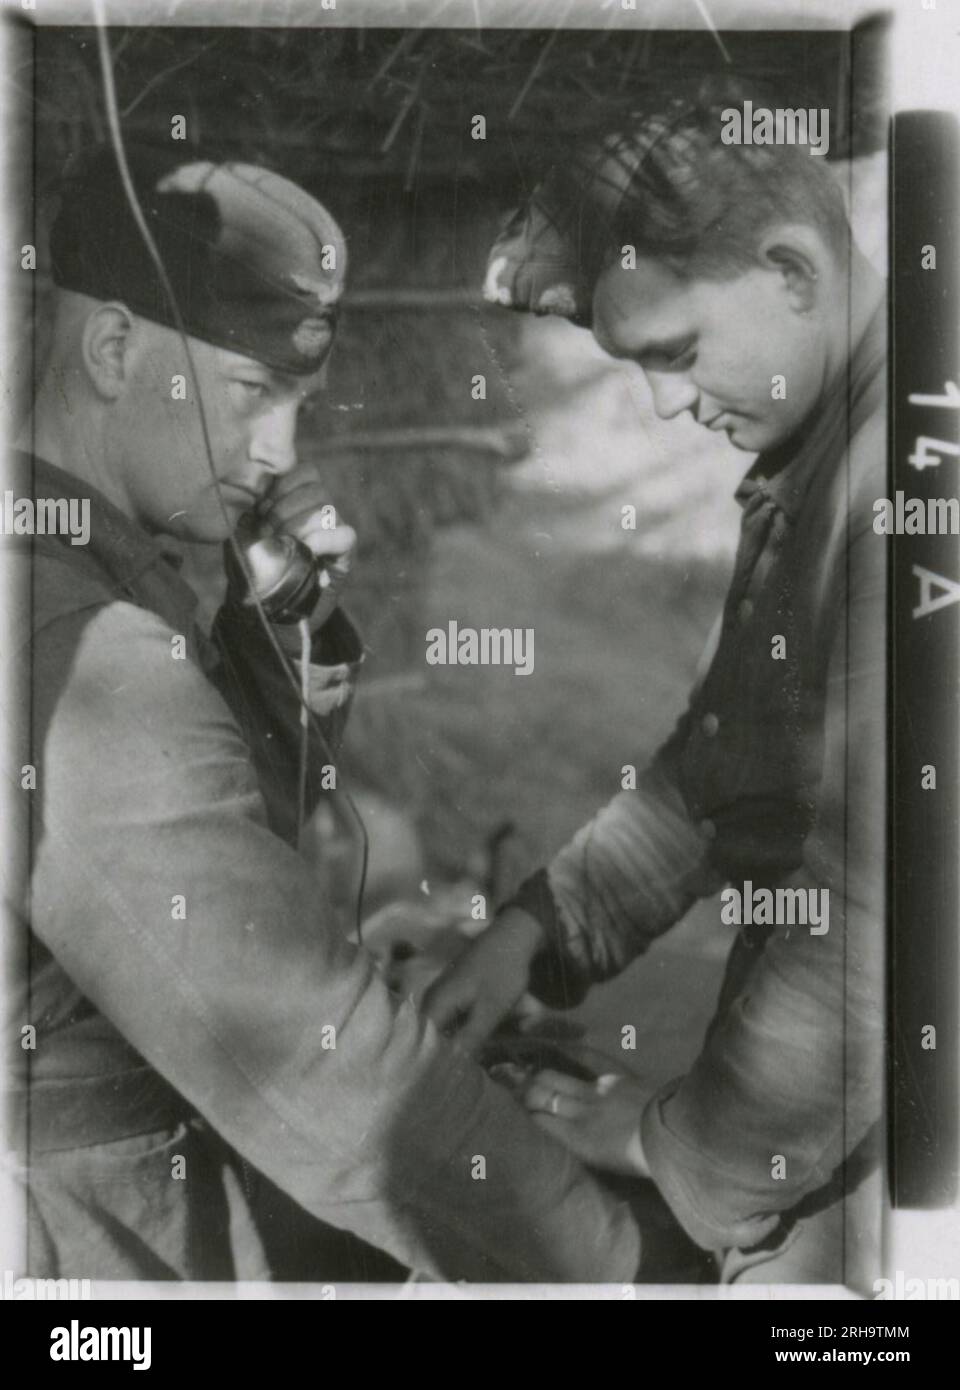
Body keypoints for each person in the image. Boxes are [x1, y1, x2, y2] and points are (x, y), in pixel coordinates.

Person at [2, 146, 641, 1284]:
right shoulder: (78, 642)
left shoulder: (68, 568)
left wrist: (266, 653)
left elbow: (188, 878)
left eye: (298, 400)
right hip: (96, 1238)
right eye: (253, 391)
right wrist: (609, 1265)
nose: (284, 451)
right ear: (110, 349)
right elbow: (316, 1060)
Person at [425, 87, 887, 1286]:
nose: (664, 404)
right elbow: (722, 761)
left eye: (674, 353)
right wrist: (536, 930)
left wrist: (668, 1140)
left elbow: (875, 927)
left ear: (792, 270)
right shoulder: (819, 457)